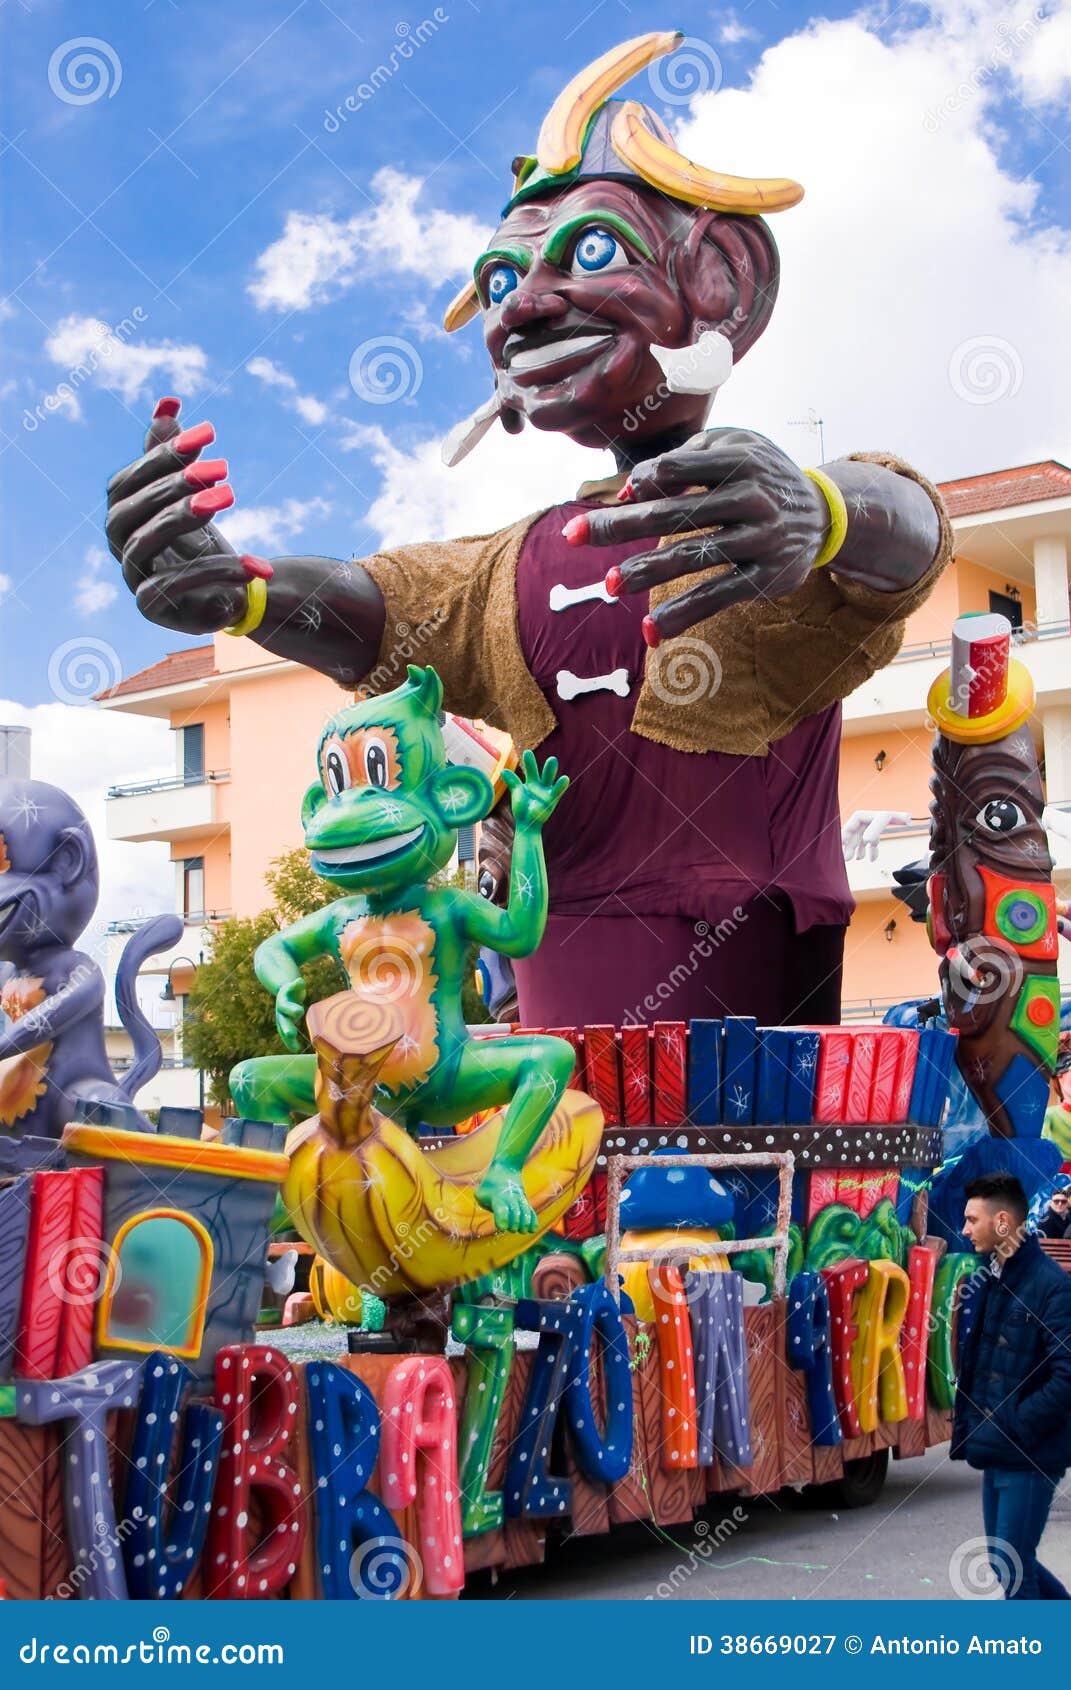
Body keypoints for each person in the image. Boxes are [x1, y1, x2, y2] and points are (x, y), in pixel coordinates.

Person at [103, 35, 949, 1030]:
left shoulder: (773, 525)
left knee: (729, 1170)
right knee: (559, 1168)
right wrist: (243, 591)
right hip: (559, 975)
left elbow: (911, 533)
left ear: (721, 277)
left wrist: (828, 511)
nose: (530, 304)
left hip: (751, 976)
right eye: (502, 281)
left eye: (591, 254)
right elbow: (380, 608)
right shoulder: (511, 566)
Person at [952, 1170, 1071, 1599]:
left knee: (1012, 1567)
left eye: (972, 1219)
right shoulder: (992, 1279)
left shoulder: (1052, 1287)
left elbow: (1067, 1375)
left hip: (1029, 1451)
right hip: (997, 1445)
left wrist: (1016, 1423)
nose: (964, 1229)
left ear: (1003, 1222)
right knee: (1009, 1563)